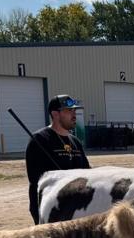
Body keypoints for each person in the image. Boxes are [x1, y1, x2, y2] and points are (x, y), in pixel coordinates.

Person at [26, 95, 91, 224]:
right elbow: (36, 180)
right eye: (69, 111)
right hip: (52, 209)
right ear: (55, 114)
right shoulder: (40, 139)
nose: (74, 115)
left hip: (76, 208)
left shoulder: (75, 142)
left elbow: (87, 172)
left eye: (74, 111)